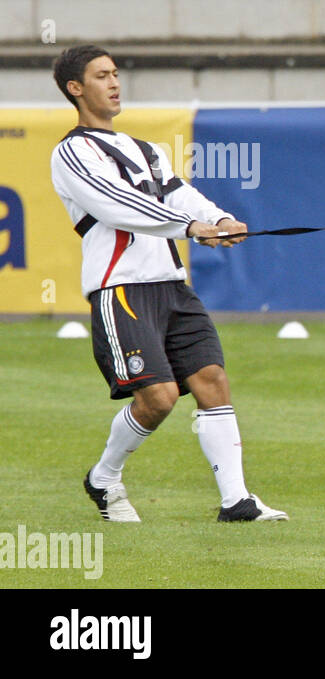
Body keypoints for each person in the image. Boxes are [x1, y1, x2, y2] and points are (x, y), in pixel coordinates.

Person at [50, 45, 287, 522]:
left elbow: (181, 193)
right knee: (157, 399)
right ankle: (104, 478)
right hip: (121, 288)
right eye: (102, 75)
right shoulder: (72, 152)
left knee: (212, 380)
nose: (115, 82)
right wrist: (190, 228)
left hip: (172, 285)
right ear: (76, 89)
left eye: (116, 73)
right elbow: (116, 204)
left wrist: (219, 217)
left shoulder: (146, 149)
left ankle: (236, 501)